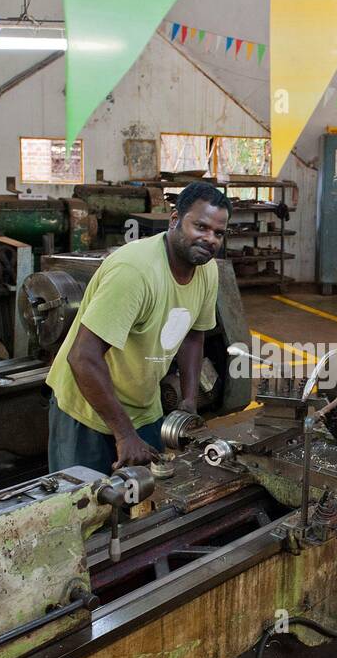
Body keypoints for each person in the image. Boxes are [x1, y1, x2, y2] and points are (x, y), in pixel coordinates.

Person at [45, 182, 230, 473]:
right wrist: (124, 434)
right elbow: (82, 357)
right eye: (201, 227)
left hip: (143, 406)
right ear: (174, 220)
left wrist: (189, 401)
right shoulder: (135, 272)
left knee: (142, 499)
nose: (210, 239)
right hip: (87, 410)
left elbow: (194, 336)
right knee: (85, 506)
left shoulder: (207, 270)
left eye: (218, 233)